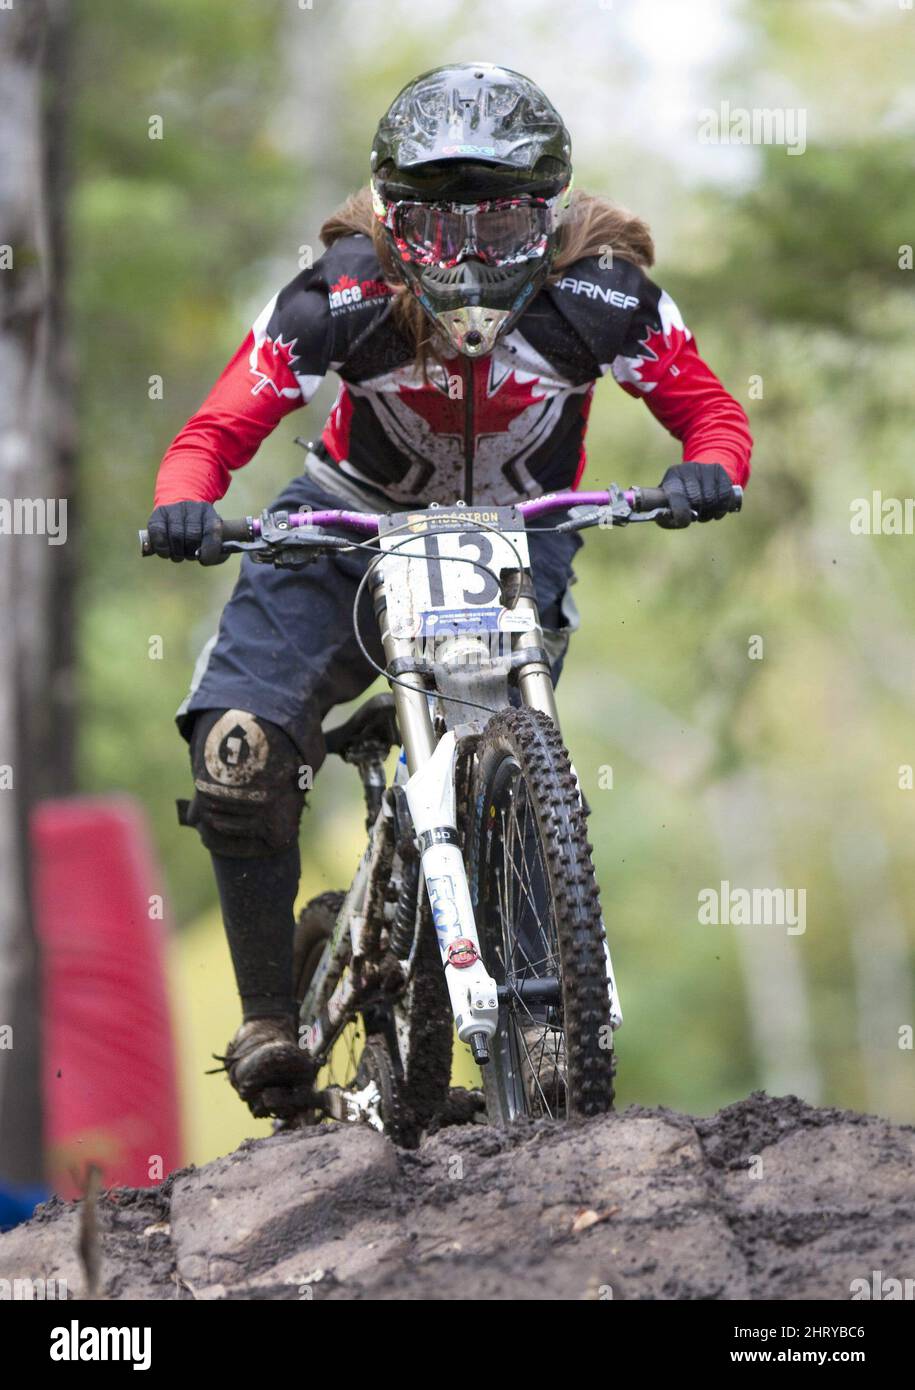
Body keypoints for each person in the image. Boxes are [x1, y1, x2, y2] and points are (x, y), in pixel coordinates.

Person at [147, 63, 752, 1119]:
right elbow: (213, 433)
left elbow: (715, 416)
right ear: (391, 216)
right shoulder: (339, 294)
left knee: (513, 743)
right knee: (239, 753)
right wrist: (187, 501)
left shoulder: (604, 301)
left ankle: (545, 1015)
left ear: (549, 212)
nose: (469, 256)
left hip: (516, 532)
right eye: (439, 226)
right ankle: (266, 1019)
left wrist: (712, 472)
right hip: (346, 520)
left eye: (503, 222)